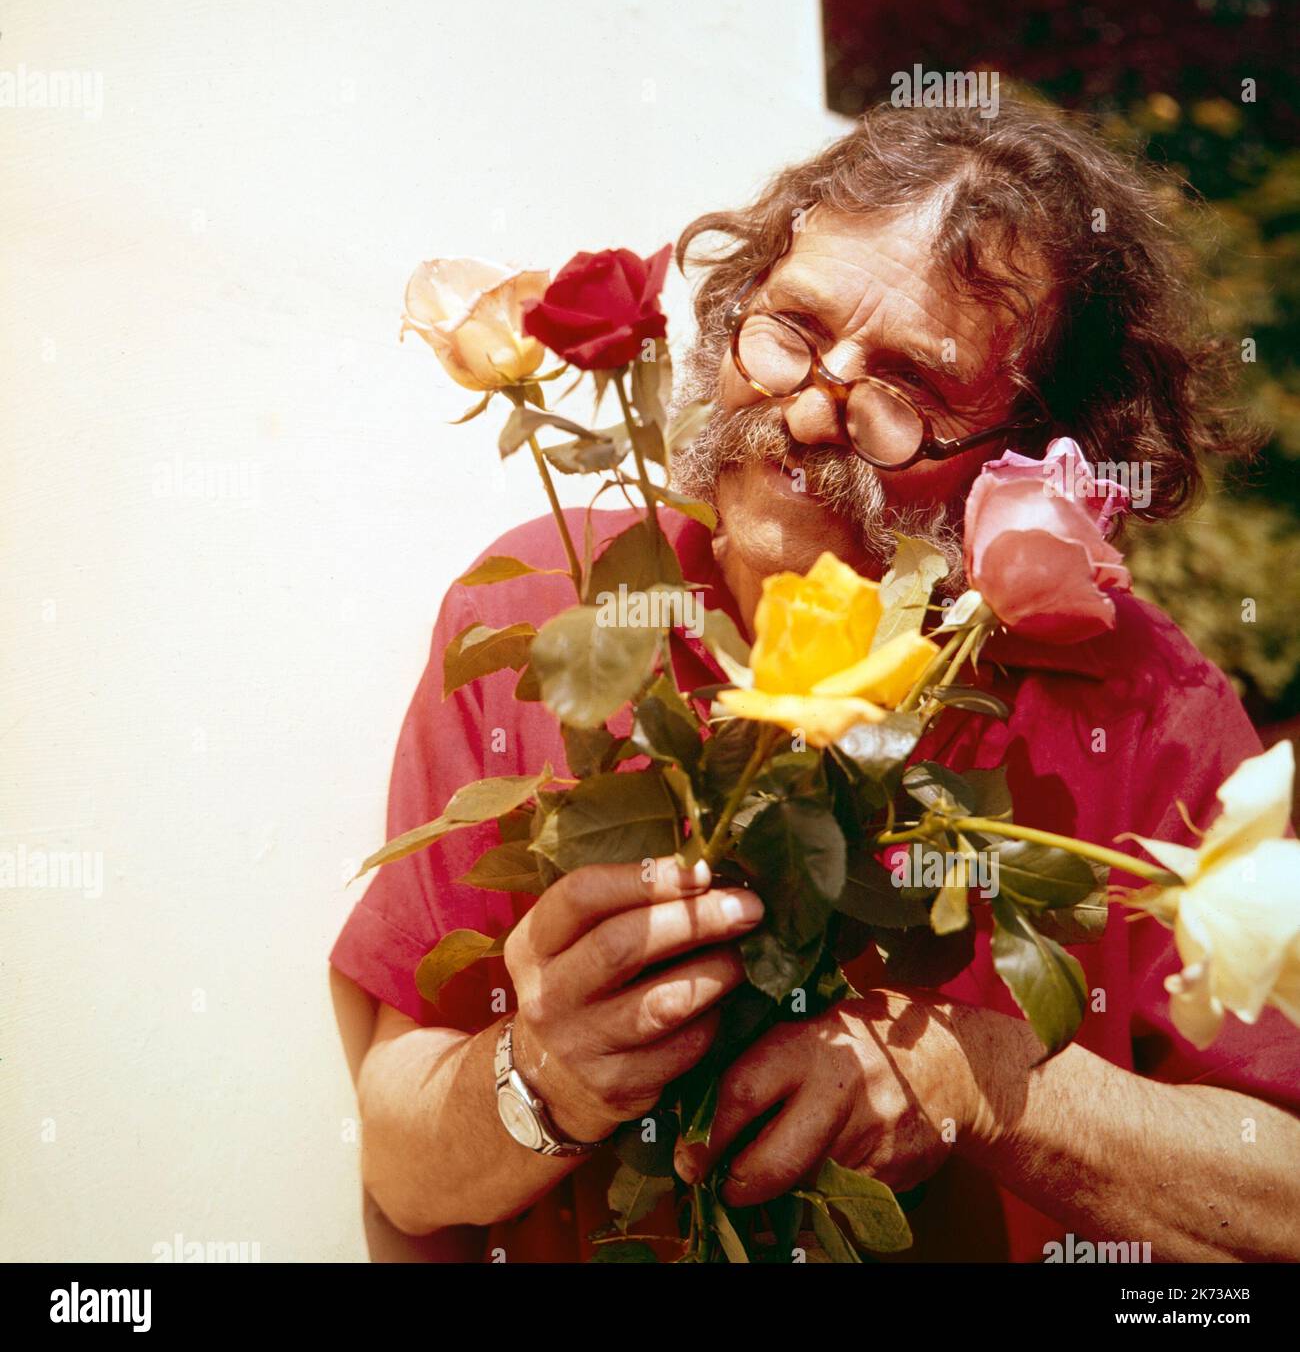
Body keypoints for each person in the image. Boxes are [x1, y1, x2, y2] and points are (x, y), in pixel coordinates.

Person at [329, 98, 1300, 1262]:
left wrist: (983, 1078)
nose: (803, 408)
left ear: (1039, 453)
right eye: (789, 327)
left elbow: (1279, 1193)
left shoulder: (1147, 706)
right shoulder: (551, 600)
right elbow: (402, 1160)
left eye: (909, 387)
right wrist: (542, 1076)